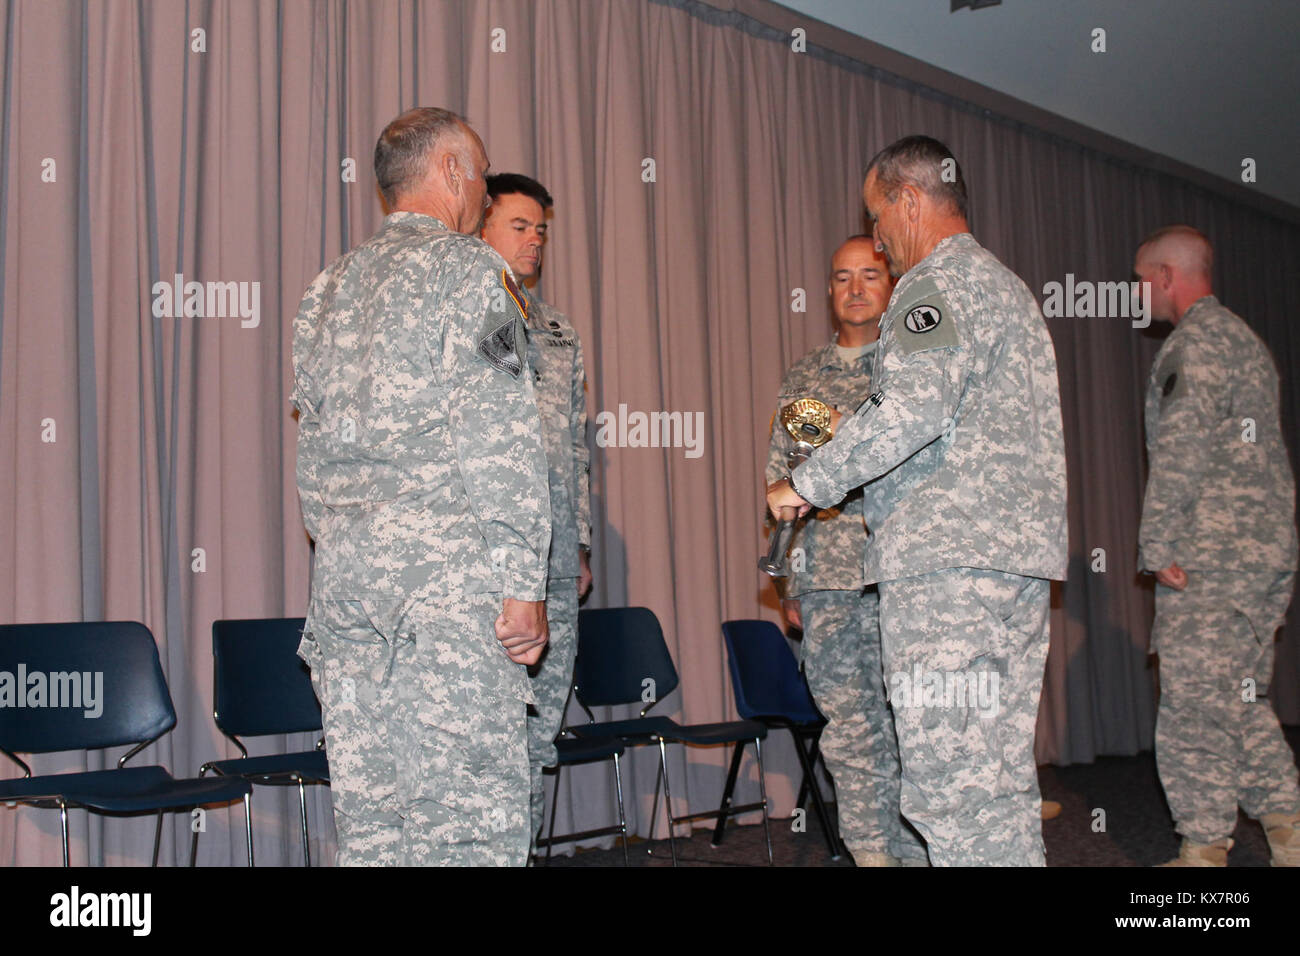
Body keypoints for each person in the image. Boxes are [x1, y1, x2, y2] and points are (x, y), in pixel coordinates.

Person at [766, 135, 1068, 866]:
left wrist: (805, 483)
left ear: (908, 200)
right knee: (996, 782)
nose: (878, 238)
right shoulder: (1006, 287)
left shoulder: (931, 286)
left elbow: (909, 410)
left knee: (950, 790)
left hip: (947, 570)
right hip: (1011, 567)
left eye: (877, 217)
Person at [292, 108, 552, 866]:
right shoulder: (470, 270)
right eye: (481, 171)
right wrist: (523, 581)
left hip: (346, 587)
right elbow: (500, 437)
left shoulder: (328, 286)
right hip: (449, 593)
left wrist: (344, 546)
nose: (484, 190)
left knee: (374, 824)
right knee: (468, 824)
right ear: (451, 172)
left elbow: (311, 451)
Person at [1134, 224, 1300, 867]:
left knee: (1194, 706)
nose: (1137, 295)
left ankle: (1202, 851)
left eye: (1140, 282)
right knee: (1239, 698)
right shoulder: (1245, 340)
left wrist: (1157, 542)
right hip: (1262, 554)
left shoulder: (1194, 343)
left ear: (1166, 277)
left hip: (1212, 554)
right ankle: (1289, 833)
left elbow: (1183, 448)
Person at [765, 236, 926, 867]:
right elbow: (783, 481)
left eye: (869, 274)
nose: (855, 289)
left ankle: (921, 856)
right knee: (853, 732)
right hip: (829, 580)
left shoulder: (913, 366)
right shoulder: (805, 378)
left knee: (914, 727)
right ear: (829, 290)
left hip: (905, 574)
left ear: (893, 284)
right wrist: (790, 582)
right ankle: (874, 858)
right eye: (841, 277)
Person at [481, 173, 593, 851]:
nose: (534, 240)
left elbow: (574, 445)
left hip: (553, 557)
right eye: (518, 226)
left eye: (540, 230)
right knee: (492, 732)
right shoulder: (467, 318)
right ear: (482, 227)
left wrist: (578, 542)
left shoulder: (556, 329)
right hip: (491, 560)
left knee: (540, 726)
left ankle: (522, 853)